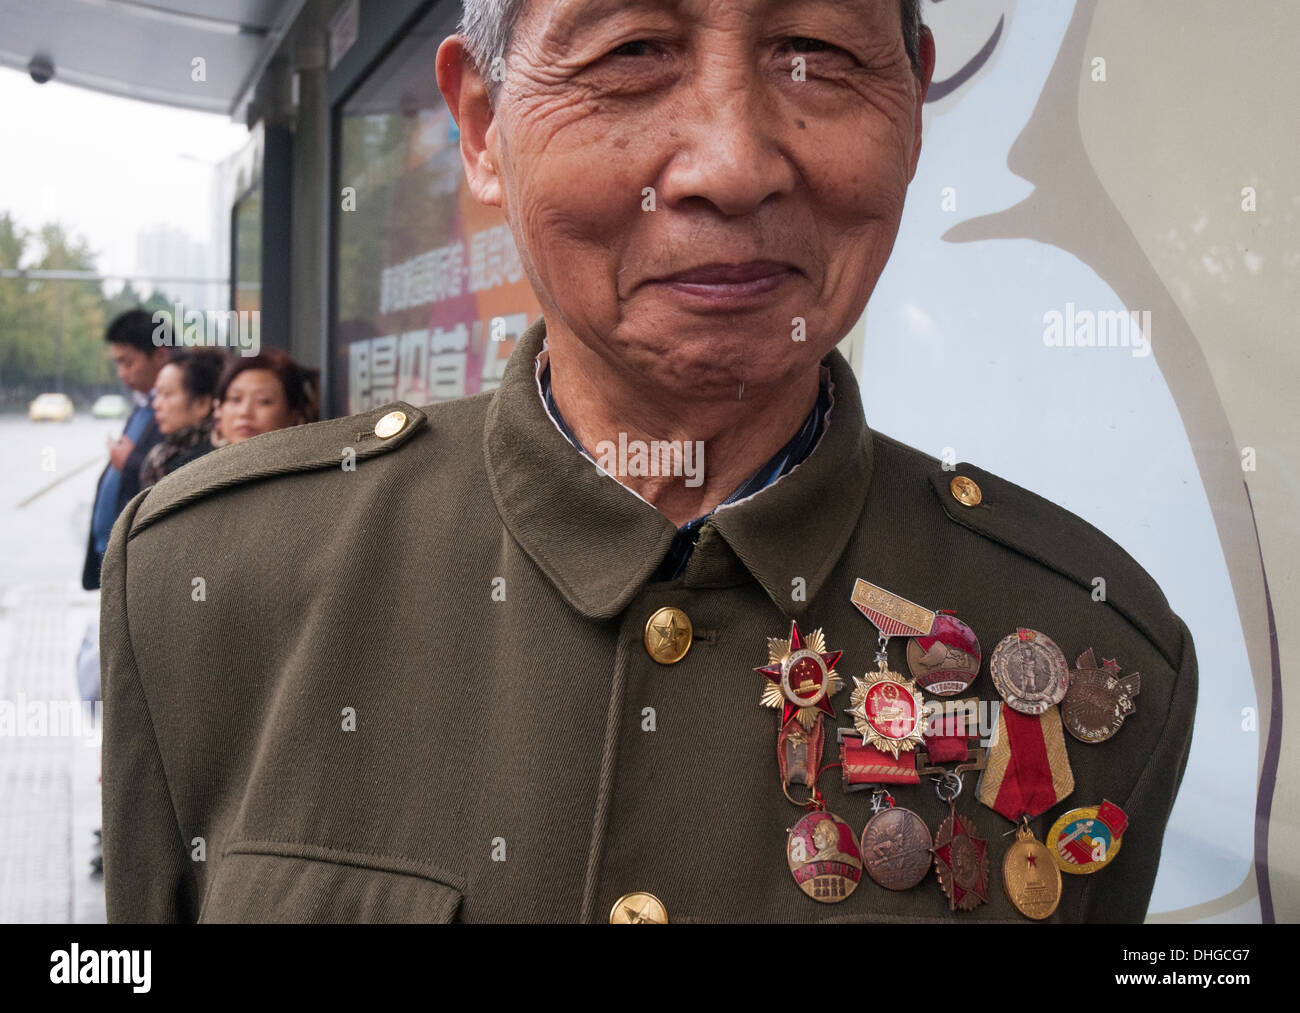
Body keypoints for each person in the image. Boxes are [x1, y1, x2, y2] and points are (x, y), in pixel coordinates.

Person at [101, 0, 1197, 923]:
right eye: (632, 52)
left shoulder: (1083, 650)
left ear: (912, 111)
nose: (730, 166)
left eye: (814, 52)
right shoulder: (209, 582)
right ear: (482, 126)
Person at [81, 309, 169, 591]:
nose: (122, 373)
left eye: (127, 362)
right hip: (117, 555)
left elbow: (175, 473)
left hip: (140, 559)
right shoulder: (144, 404)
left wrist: (128, 461)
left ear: (159, 355)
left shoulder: (174, 410)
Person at [137, 349, 224, 489]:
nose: (156, 404)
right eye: (157, 394)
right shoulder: (161, 457)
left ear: (202, 404)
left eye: (166, 394)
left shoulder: (215, 460)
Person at [213, 348, 319, 446]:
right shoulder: (204, 464)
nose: (244, 412)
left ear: (293, 415)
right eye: (235, 399)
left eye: (263, 401)